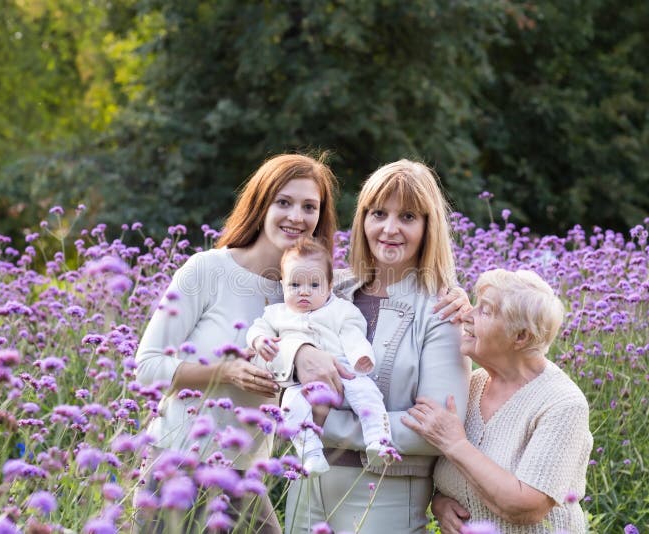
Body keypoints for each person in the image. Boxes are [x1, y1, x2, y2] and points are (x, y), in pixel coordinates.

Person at [132, 153, 339, 533]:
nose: (297, 216)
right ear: (261, 205)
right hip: (179, 468)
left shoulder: (310, 291)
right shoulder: (208, 270)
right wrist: (225, 372)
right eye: (284, 202)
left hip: (247, 475)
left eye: (309, 206)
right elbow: (145, 369)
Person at [282, 160, 473, 533]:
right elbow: (275, 344)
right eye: (378, 213)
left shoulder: (440, 310)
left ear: (427, 226)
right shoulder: (330, 289)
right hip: (305, 484)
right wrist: (297, 353)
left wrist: (319, 424)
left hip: (385, 491)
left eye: (407, 217)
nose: (389, 229)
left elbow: (434, 429)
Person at [403, 269, 593, 534]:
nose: (467, 315)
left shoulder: (562, 404)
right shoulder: (471, 385)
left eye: (485, 311)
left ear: (520, 337)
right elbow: (456, 479)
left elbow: (527, 506)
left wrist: (455, 444)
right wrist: (440, 504)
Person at [247, 237, 391, 477]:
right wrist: (259, 340)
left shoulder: (340, 310)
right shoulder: (277, 314)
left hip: (344, 371)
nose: (304, 292)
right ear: (283, 284)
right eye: (294, 285)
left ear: (329, 285)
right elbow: (257, 328)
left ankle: (378, 437)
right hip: (300, 383)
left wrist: (361, 356)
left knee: (367, 393)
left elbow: (352, 333)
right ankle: (310, 452)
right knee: (291, 406)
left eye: (314, 285)